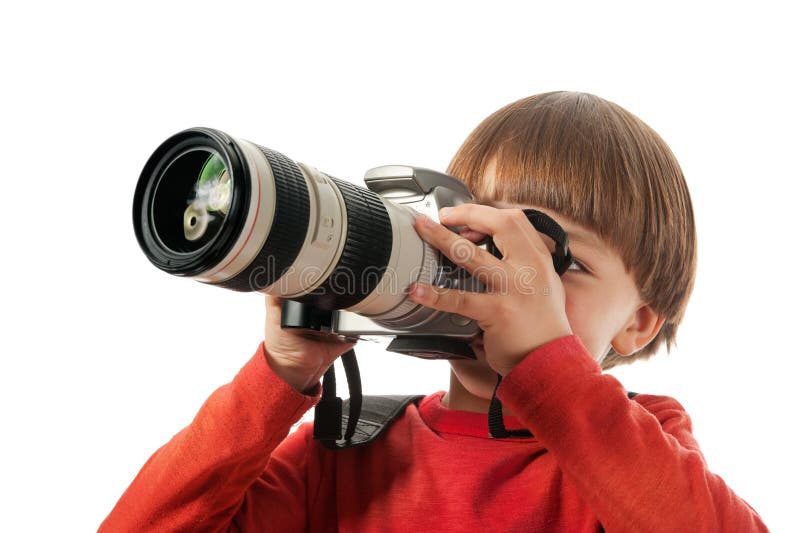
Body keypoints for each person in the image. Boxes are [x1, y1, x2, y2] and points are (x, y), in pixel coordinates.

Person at [101, 92, 768, 532]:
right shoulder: (349, 450)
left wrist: (550, 370)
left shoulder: (638, 445)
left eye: (556, 261)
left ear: (638, 322)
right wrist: (275, 378)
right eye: (479, 239)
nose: (502, 274)